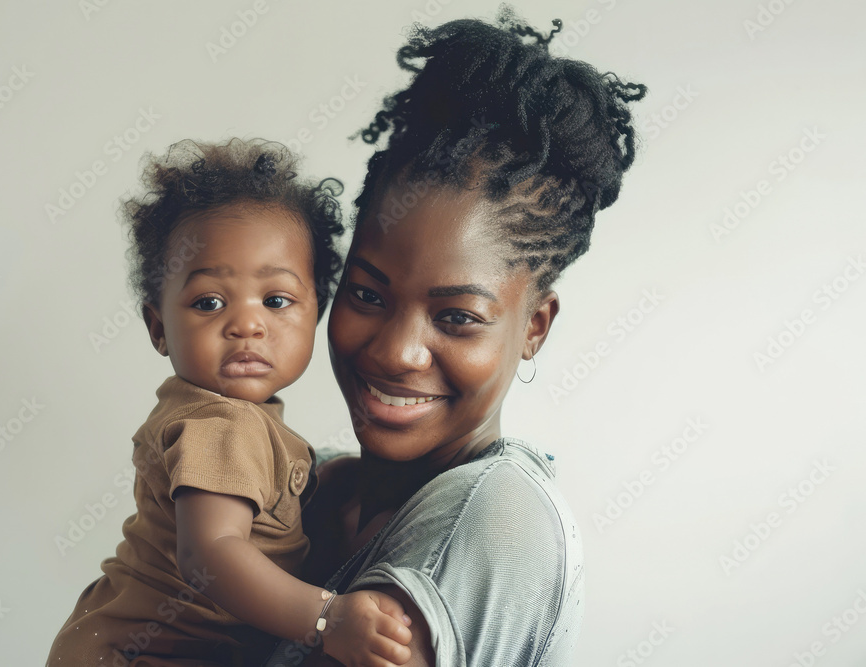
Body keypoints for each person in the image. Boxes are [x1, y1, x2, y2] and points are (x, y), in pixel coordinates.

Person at [261, 9, 646, 666]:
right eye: (368, 293)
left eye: (457, 317)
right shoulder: (312, 488)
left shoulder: (495, 519)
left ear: (534, 326)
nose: (395, 350)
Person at [46, 138, 413, 667]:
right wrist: (327, 618)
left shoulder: (236, 418)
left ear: (315, 313)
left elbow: (261, 512)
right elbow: (212, 552)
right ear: (159, 328)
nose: (246, 324)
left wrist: (328, 482)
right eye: (209, 302)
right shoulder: (222, 424)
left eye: (276, 300)